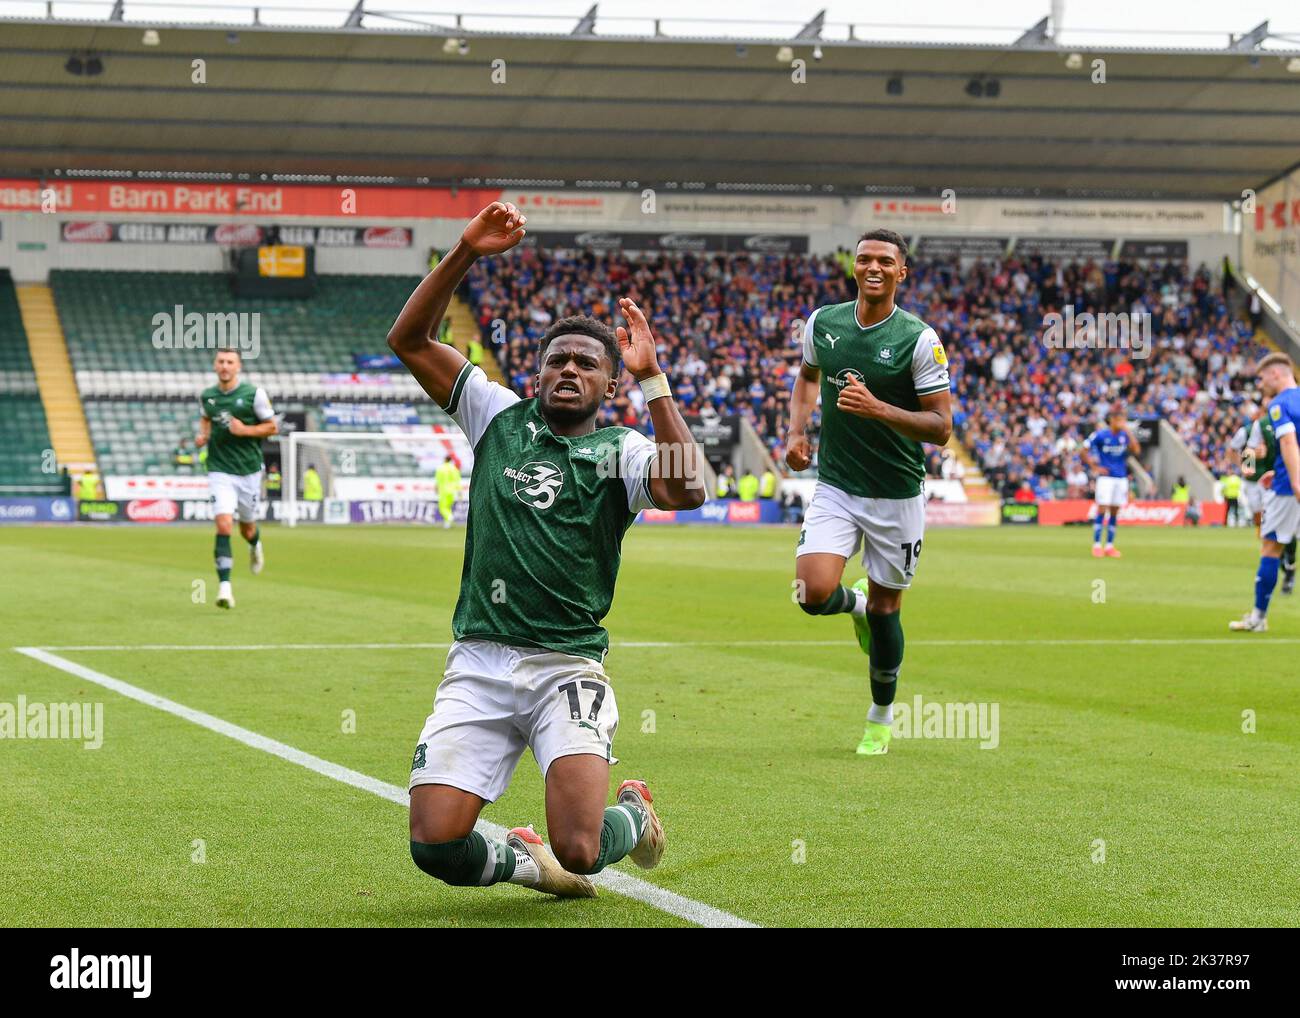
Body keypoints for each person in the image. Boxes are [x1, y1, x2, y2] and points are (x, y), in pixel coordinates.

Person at [387, 200, 706, 898]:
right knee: (435, 847)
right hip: (480, 659)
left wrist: (655, 380)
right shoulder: (496, 415)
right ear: (536, 375)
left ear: (609, 383)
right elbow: (409, 339)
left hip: (567, 666)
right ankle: (527, 862)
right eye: (556, 359)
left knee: (585, 847)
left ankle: (633, 811)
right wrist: (466, 251)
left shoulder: (620, 449)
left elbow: (689, 492)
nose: (569, 368)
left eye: (587, 363)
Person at [785, 228, 952, 756]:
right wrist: (796, 431)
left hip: (897, 493)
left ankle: (880, 716)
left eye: (885, 260)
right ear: (853, 266)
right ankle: (849, 604)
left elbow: (941, 426)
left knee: (887, 610)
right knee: (810, 593)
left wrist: (878, 408)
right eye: (864, 259)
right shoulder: (823, 323)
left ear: (902, 272)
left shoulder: (919, 340)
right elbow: (808, 378)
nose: (873, 267)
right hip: (836, 484)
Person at [195, 349, 276, 610]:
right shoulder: (207, 396)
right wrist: (203, 436)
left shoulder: (254, 394)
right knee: (223, 524)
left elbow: (272, 427)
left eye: (230, 362)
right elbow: (206, 418)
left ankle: (255, 544)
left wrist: (245, 430)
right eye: (221, 361)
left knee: (247, 528)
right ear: (215, 365)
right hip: (219, 469)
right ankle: (225, 589)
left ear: (238, 366)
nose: (225, 366)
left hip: (249, 471)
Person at [1231, 353, 1300, 631]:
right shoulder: (1258, 425)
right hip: (1263, 482)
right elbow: (1246, 453)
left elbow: (1288, 444)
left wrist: (1294, 479)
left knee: (1270, 544)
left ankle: (1259, 616)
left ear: (1275, 375)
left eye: (1261, 380)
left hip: (1286, 486)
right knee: (1264, 531)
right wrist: (1254, 463)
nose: (1260, 388)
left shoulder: (1277, 408)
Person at [1084, 408, 1139, 558]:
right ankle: (1096, 545)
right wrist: (1094, 467)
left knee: (1115, 512)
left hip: (1121, 478)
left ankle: (1109, 546)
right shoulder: (1101, 435)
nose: (1122, 423)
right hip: (1106, 478)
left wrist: (1128, 431)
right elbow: (1083, 449)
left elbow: (1136, 450)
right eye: (1120, 420)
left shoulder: (1124, 435)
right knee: (1102, 509)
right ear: (1112, 420)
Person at [435, 455, 462, 529]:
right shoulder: (454, 469)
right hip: (452, 491)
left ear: (445, 460)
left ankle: (449, 517)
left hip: (443, 490)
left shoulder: (441, 468)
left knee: (442, 507)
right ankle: (447, 523)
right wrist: (459, 491)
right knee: (448, 507)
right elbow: (457, 480)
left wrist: (436, 489)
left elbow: (437, 480)